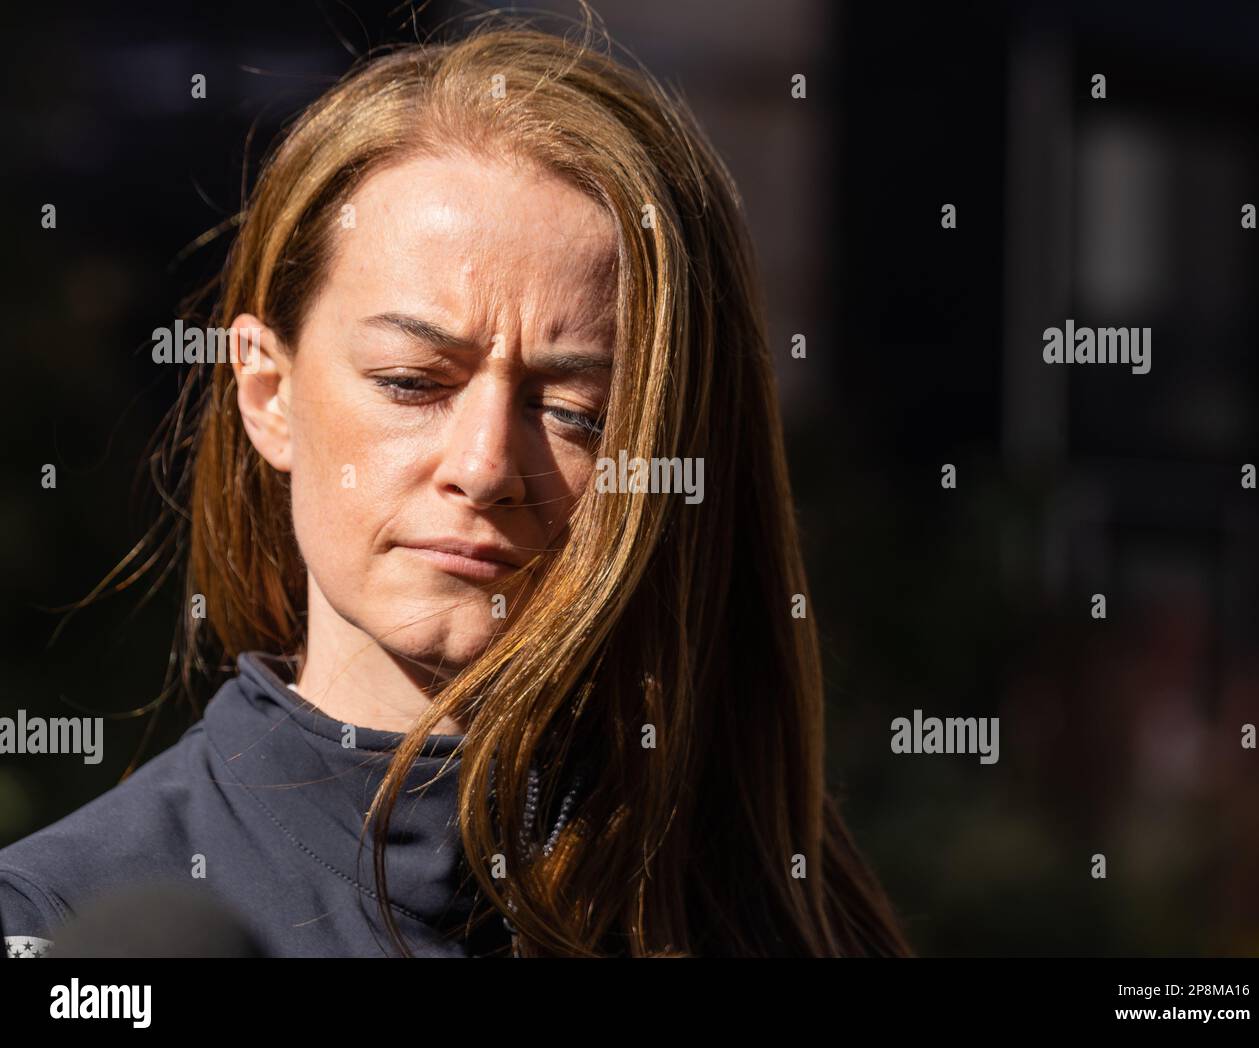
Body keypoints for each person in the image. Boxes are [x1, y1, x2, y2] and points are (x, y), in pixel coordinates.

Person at [0, 12, 911, 958]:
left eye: (576, 413)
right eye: (411, 382)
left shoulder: (779, 922)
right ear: (267, 392)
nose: (482, 467)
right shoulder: (63, 930)